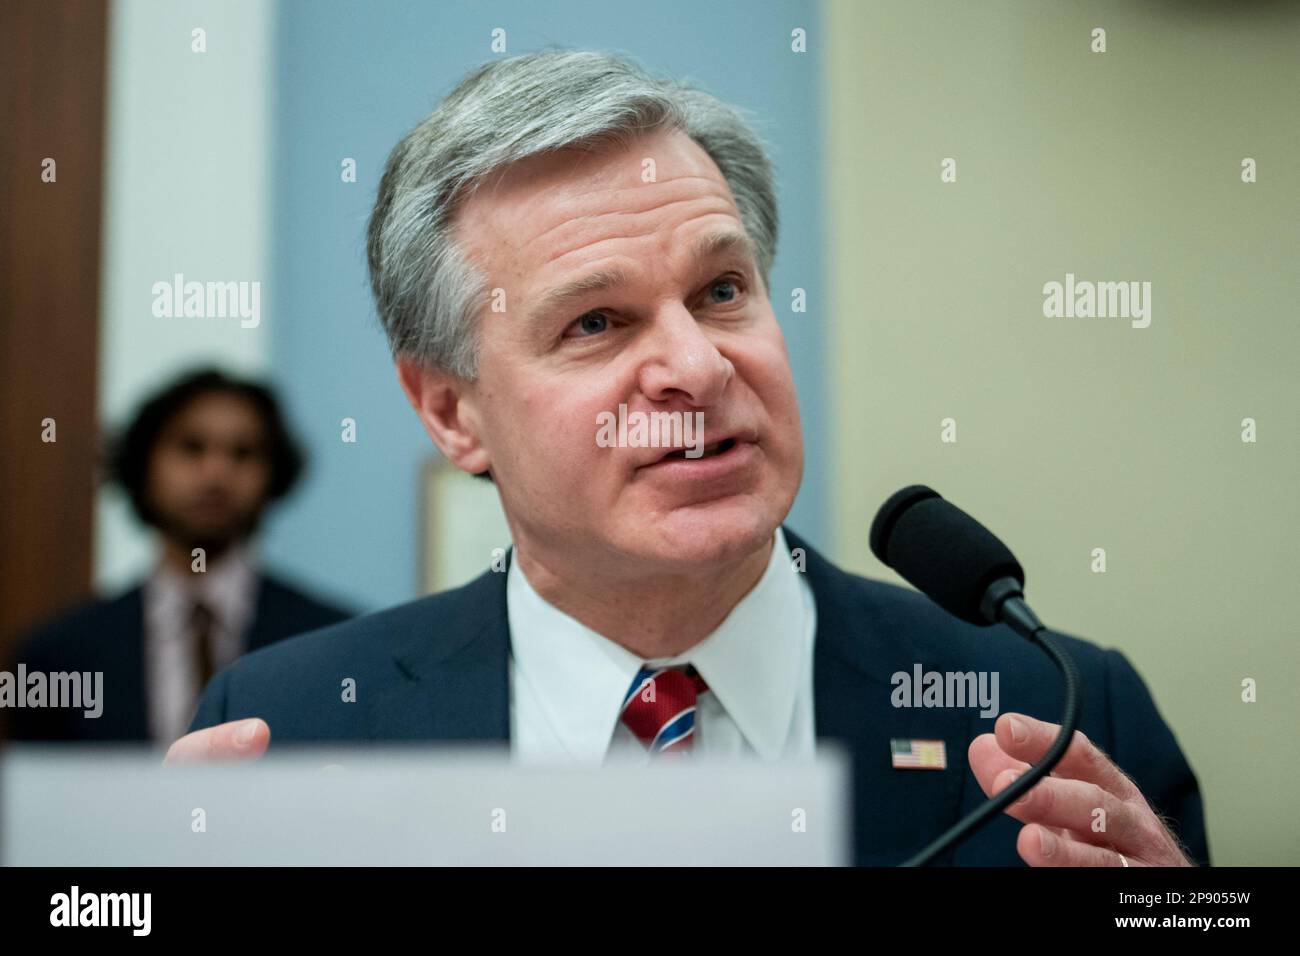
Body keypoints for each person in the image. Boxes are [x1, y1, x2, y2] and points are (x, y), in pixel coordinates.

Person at [173, 50, 1207, 867]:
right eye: (596, 321)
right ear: (451, 410)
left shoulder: (1052, 707)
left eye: (721, 290)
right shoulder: (292, 732)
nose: (698, 365)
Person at [9, 369, 352, 745]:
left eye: (243, 453)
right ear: (143, 464)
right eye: (191, 447)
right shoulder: (58, 656)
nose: (216, 473)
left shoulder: (332, 644)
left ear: (273, 474)